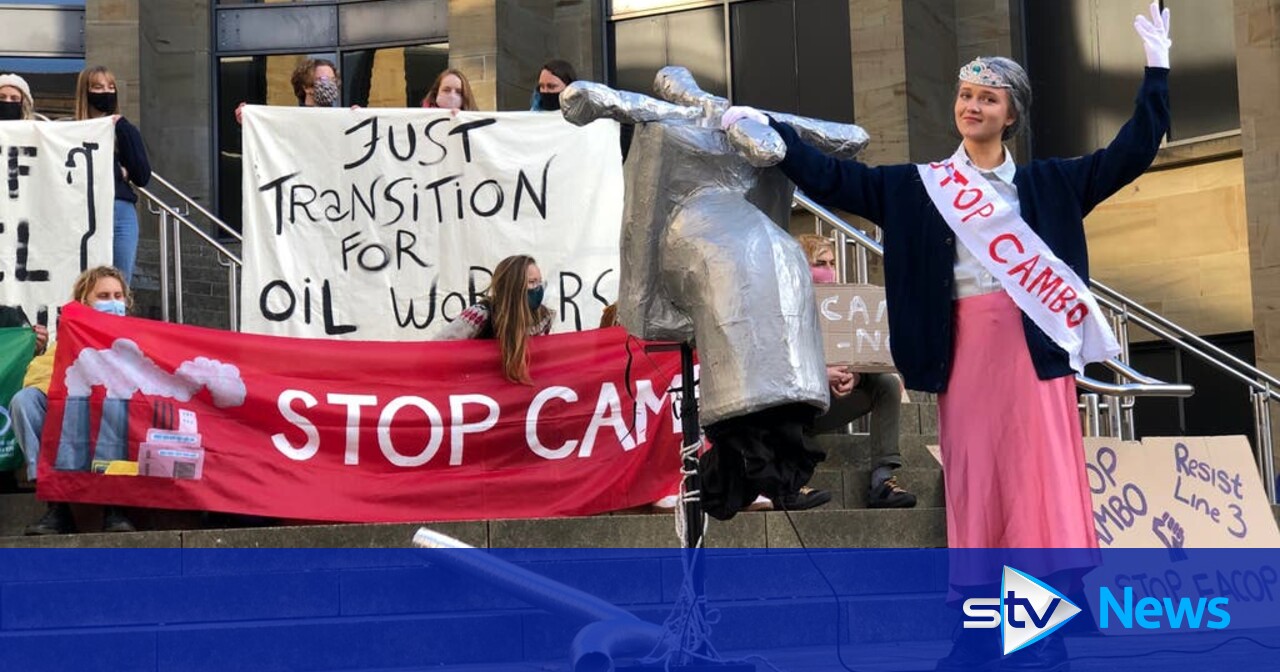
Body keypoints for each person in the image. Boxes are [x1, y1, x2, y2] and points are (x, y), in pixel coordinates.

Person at [726, 2, 1170, 667]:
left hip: (1036, 355)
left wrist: (1158, 71)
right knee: (978, 494)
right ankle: (980, 635)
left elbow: (1133, 149)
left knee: (1037, 494)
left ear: (1010, 113)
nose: (971, 106)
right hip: (964, 356)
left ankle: (1039, 637)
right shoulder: (920, 188)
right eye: (965, 95)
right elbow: (838, 178)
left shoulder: (1053, 184)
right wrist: (775, 137)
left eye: (987, 98)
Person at [14, 266, 138, 534]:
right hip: (77, 416)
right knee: (25, 402)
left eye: (118, 295)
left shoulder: (138, 336)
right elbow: (37, 378)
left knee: (114, 400)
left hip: (122, 416)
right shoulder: (67, 339)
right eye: (104, 296)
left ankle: (113, 506)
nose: (113, 302)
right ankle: (57, 501)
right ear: (85, 303)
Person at [795, 234, 915, 508]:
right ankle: (788, 480)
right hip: (794, 409)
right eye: (819, 263)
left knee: (886, 382)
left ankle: (883, 480)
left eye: (832, 262)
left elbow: (859, 353)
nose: (828, 269)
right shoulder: (787, 306)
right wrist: (819, 375)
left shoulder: (843, 306)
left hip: (827, 403)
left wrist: (855, 376)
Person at [74, 66, 152, 284]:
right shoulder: (70, 131)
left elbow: (142, 175)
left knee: (119, 281)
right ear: (85, 92)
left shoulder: (124, 129)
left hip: (120, 212)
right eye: (98, 87)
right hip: (84, 212)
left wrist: (122, 127)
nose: (106, 92)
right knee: (83, 281)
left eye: (110, 87)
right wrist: (117, 170)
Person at [436, 255, 555, 384]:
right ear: (514, 286)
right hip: (481, 386)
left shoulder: (543, 317)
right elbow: (437, 349)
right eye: (532, 282)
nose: (538, 288)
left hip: (518, 389)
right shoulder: (481, 314)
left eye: (539, 281)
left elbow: (540, 360)